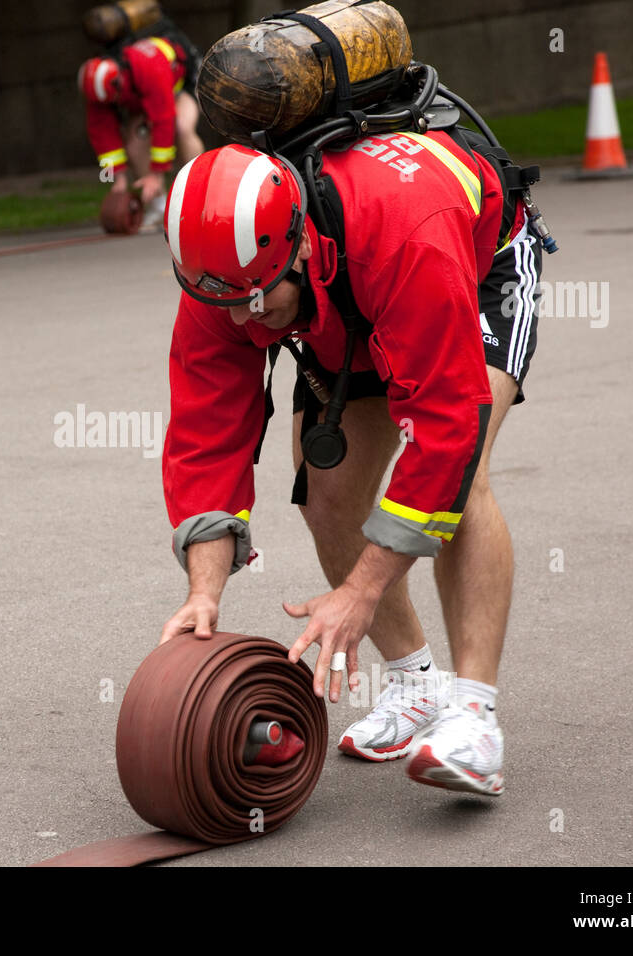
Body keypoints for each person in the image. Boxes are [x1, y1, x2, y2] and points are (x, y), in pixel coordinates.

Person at [157, 131, 543, 796]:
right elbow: (206, 442)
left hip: (469, 271)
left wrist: (359, 593)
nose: (248, 322)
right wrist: (203, 592)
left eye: (260, 301)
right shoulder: (223, 282)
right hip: (342, 296)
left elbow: (444, 435)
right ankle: (416, 684)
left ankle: (474, 720)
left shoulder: (407, 233)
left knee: (463, 473)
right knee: (327, 493)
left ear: (299, 243)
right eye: (228, 305)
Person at [78, 32, 204, 227]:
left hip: (182, 83)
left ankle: (201, 197)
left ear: (119, 82)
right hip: (148, 97)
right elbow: (102, 135)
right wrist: (117, 178)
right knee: (135, 145)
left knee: (182, 127)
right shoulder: (97, 92)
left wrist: (156, 174)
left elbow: (163, 120)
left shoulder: (147, 66)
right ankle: (160, 206)